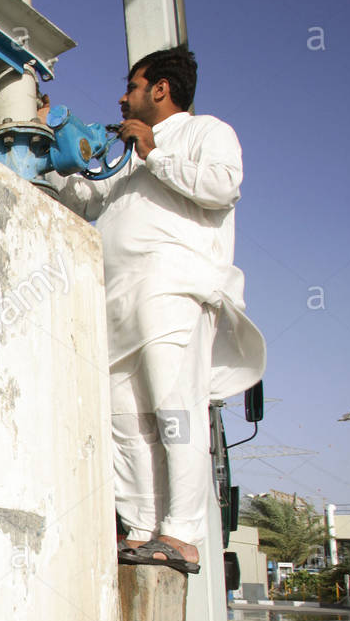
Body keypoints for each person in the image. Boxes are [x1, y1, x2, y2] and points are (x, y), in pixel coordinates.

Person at [40, 46, 265, 574]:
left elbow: (221, 186)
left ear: (160, 89)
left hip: (174, 293)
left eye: (132, 86)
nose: (122, 97)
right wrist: (47, 136)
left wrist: (155, 150)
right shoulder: (127, 158)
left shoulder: (205, 132)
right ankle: (143, 529)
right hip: (117, 304)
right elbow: (82, 199)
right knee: (126, 421)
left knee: (174, 412)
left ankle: (181, 535)